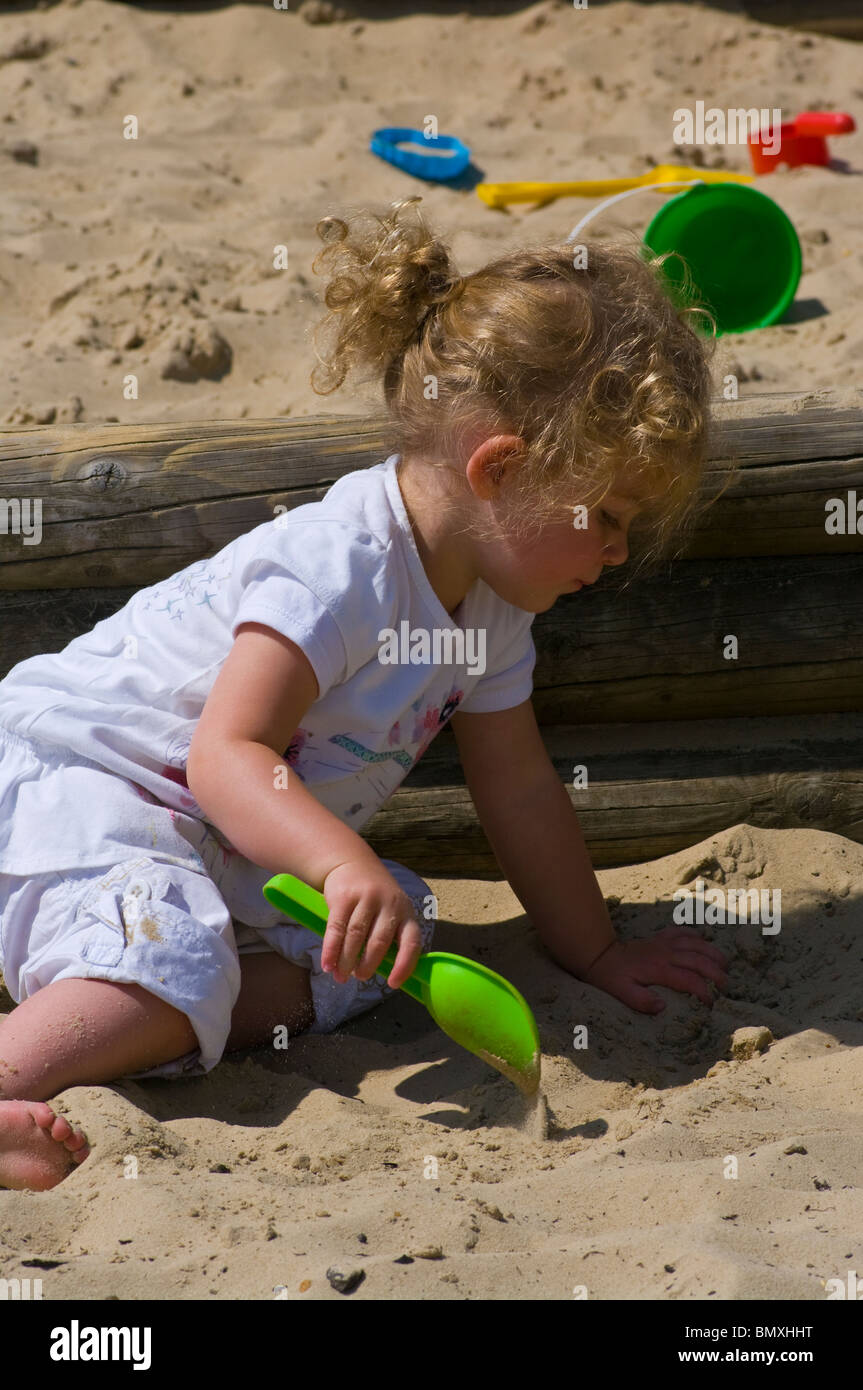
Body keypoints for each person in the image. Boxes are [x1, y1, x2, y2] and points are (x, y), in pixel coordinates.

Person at [0, 196, 730, 1191]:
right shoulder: (339, 568)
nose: (614, 550)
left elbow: (515, 790)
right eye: (606, 514)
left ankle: (161, 1009)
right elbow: (226, 755)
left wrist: (595, 950)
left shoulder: (493, 609)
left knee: (396, 935)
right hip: (86, 786)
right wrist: (340, 860)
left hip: (213, 841)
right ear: (502, 467)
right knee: (189, 954)